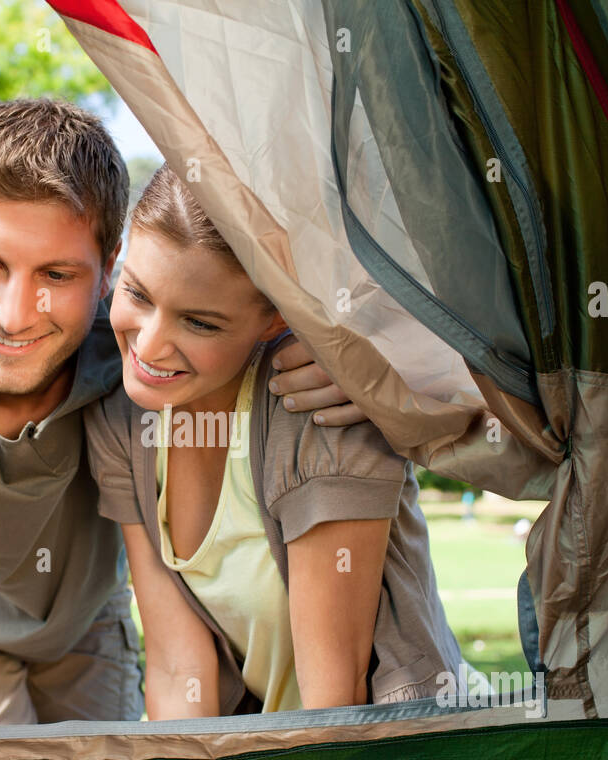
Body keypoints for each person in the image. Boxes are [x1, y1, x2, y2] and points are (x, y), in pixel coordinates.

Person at [0, 98, 364, 725]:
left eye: (58, 273)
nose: (15, 314)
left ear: (109, 269)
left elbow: (240, 329)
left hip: (87, 620)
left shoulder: (135, 346)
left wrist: (339, 358)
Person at [84, 165, 462, 717]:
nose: (150, 345)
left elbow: (334, 700)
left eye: (200, 323)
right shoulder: (122, 415)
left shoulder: (320, 409)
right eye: (137, 293)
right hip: (256, 755)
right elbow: (176, 664)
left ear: (275, 318)